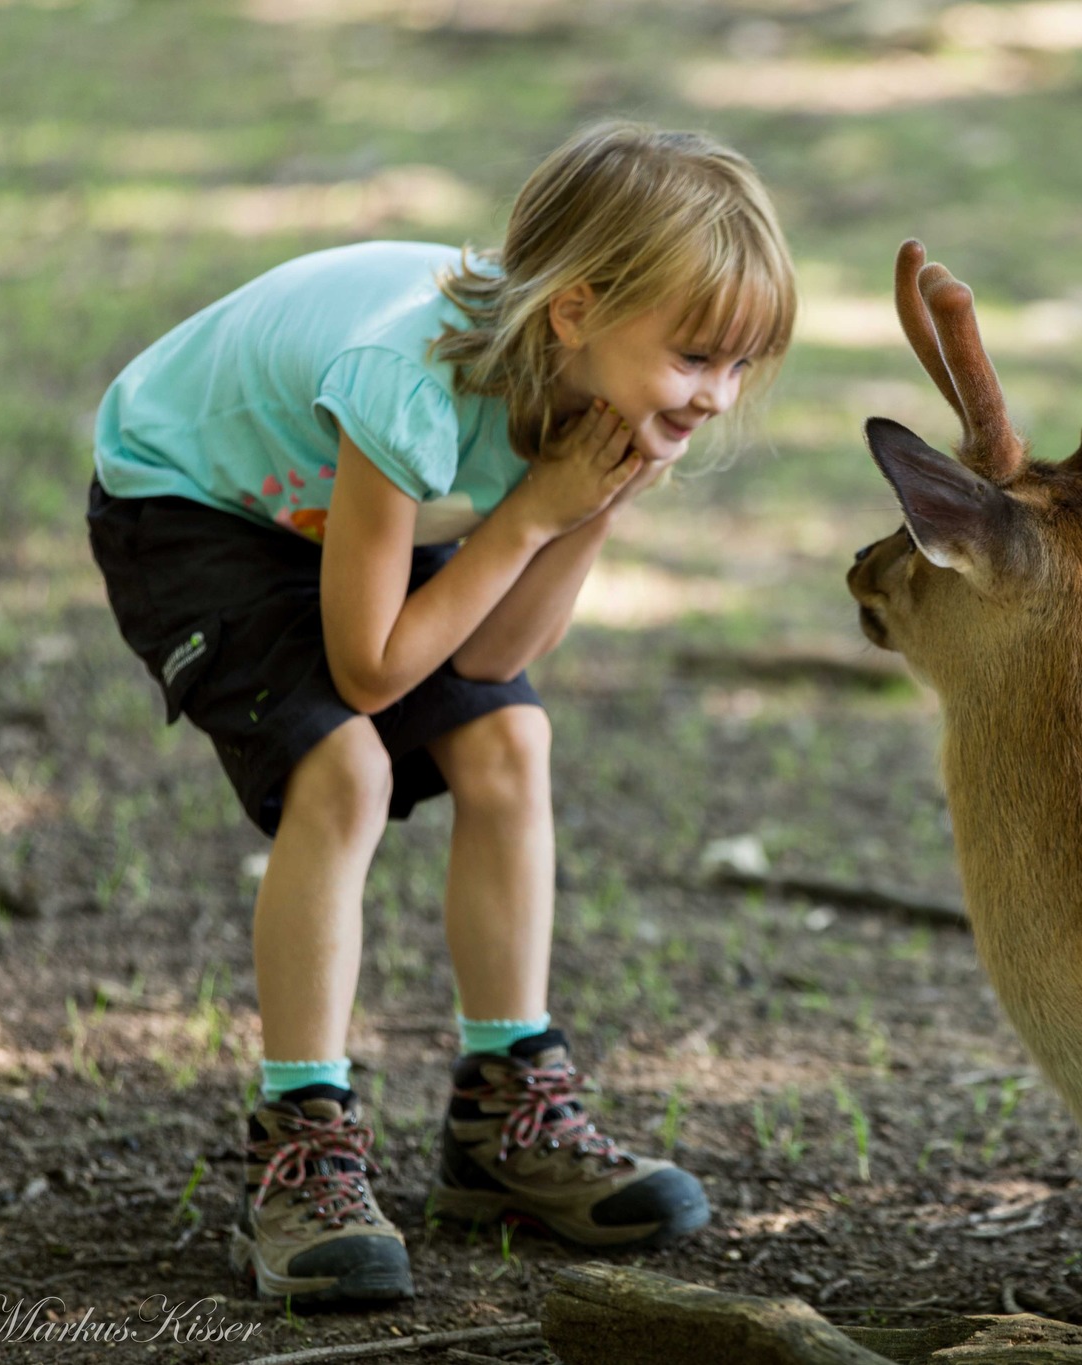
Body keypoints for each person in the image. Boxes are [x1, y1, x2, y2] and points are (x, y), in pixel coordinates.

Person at [84, 122, 797, 1305]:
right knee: (344, 769)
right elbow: (371, 672)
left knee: (513, 737)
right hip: (196, 504)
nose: (715, 398)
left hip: (358, 512)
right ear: (574, 310)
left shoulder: (583, 390)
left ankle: (504, 1112)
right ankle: (300, 1144)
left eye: (736, 369)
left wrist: (593, 503)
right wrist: (528, 517)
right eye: (693, 360)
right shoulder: (406, 381)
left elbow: (498, 652)